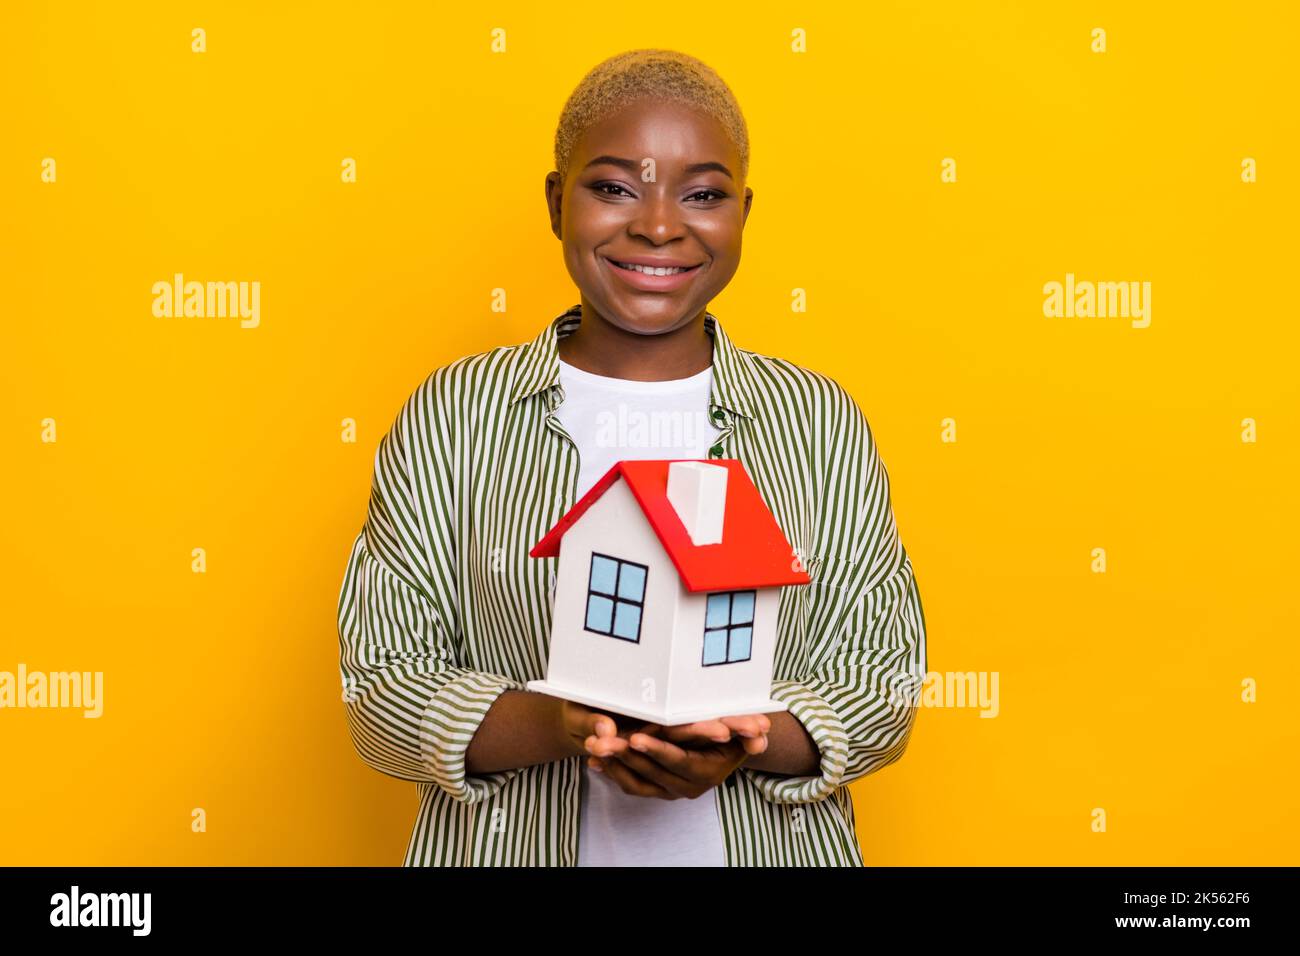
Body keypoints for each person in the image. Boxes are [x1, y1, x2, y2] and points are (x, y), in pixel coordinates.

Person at [336, 48, 928, 866]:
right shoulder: (455, 417)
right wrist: (560, 721)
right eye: (614, 187)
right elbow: (380, 687)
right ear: (555, 201)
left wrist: (744, 740)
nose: (657, 224)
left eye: (704, 195)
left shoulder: (819, 423)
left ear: (743, 212)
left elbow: (882, 680)